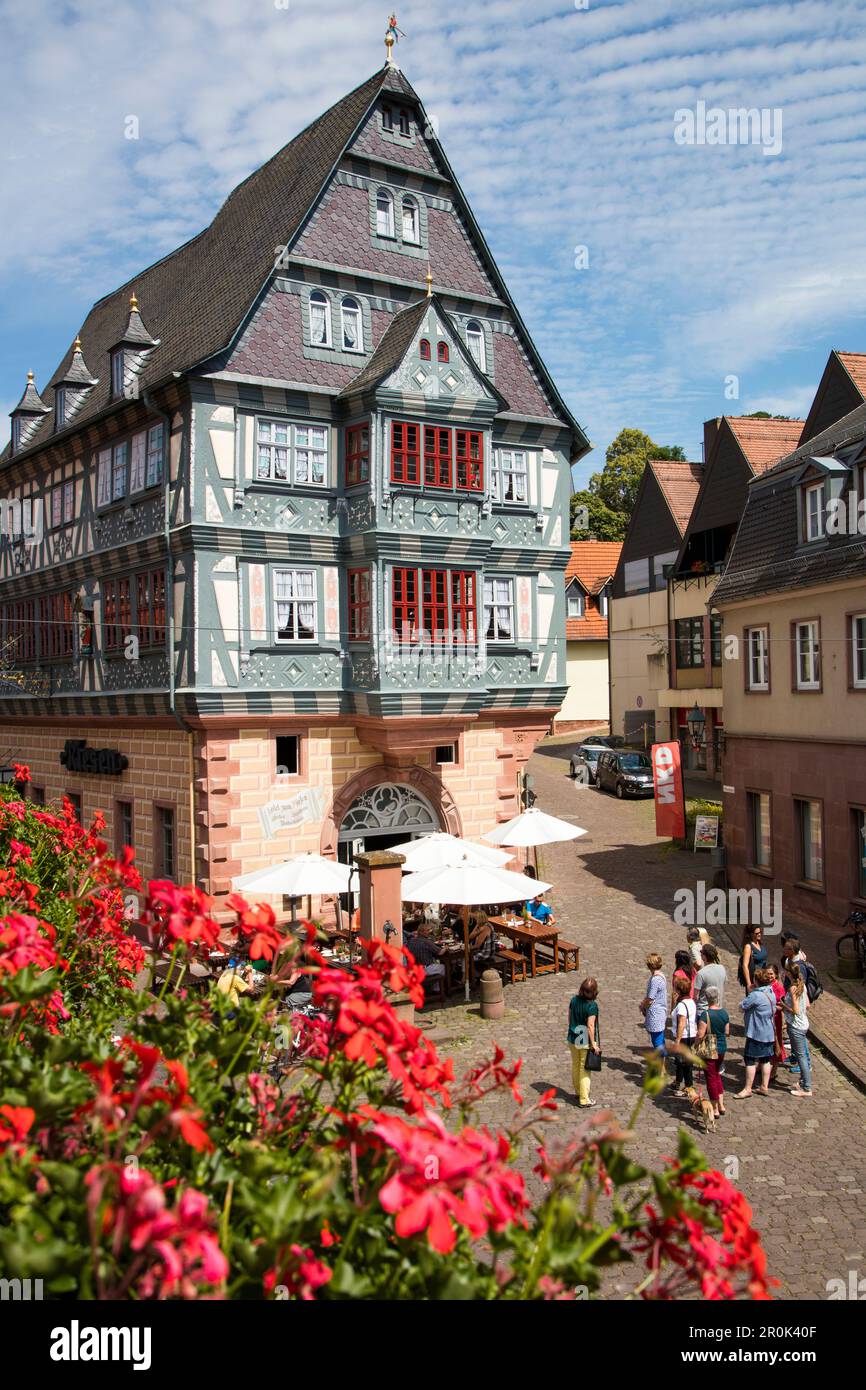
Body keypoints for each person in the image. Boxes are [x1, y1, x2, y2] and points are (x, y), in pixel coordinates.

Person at [735, 966, 776, 1098]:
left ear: (756, 981)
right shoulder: (771, 992)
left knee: (750, 1059)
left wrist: (751, 991)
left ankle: (748, 1088)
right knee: (765, 1059)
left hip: (756, 1032)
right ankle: (764, 1086)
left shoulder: (755, 995)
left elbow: (741, 1007)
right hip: (769, 1032)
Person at [695, 985, 730, 1116]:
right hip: (722, 1047)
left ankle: (714, 1108)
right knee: (717, 1075)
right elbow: (727, 1032)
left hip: (710, 1048)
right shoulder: (724, 1013)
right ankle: (721, 1105)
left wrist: (696, 1046)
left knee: (710, 1078)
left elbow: (700, 1034)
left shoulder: (706, 1015)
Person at [780, 963, 813, 1097]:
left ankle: (806, 1087)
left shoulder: (793, 988)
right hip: (804, 1024)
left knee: (801, 1058)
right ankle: (802, 1081)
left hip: (796, 1026)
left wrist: (783, 1005)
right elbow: (808, 1005)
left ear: (789, 973)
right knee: (802, 1055)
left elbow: (796, 1010)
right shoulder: (802, 986)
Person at [567, 977, 600, 1107]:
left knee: (575, 1065)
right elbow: (590, 1026)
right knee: (584, 1069)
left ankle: (578, 1091)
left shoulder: (574, 1000)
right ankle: (584, 1099)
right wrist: (594, 1045)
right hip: (585, 1040)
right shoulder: (592, 1006)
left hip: (573, 1037)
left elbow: (569, 1018)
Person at [670, 975, 698, 1094]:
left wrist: (677, 1040)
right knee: (680, 1061)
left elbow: (681, 1023)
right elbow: (672, 1013)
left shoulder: (682, 1005)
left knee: (685, 1063)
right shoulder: (690, 1001)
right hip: (691, 1034)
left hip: (684, 1036)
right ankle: (677, 1082)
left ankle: (688, 1086)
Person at [640, 953, 668, 1052]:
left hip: (656, 1013)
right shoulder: (660, 975)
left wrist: (642, 1005)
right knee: (659, 1039)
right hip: (660, 1011)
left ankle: (660, 1065)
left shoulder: (655, 979)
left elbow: (650, 998)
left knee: (657, 1040)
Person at [766, 964, 787, 1081]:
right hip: (766, 1019)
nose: (769, 976)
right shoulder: (765, 985)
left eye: (771, 974)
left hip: (775, 1019)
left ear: (775, 974)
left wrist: (771, 1006)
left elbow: (782, 1006)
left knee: (776, 1043)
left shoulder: (778, 987)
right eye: (767, 974)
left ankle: (774, 1070)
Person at [694, 942, 727, 1009]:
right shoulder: (722, 968)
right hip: (718, 1008)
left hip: (704, 1011)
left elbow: (695, 996)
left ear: (704, 957)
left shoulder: (701, 973)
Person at [739, 924, 767, 994]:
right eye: (757, 933)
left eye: (760, 932)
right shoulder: (748, 946)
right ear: (751, 934)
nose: (759, 934)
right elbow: (745, 965)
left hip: (763, 978)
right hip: (754, 980)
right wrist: (749, 984)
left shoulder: (759, 943)